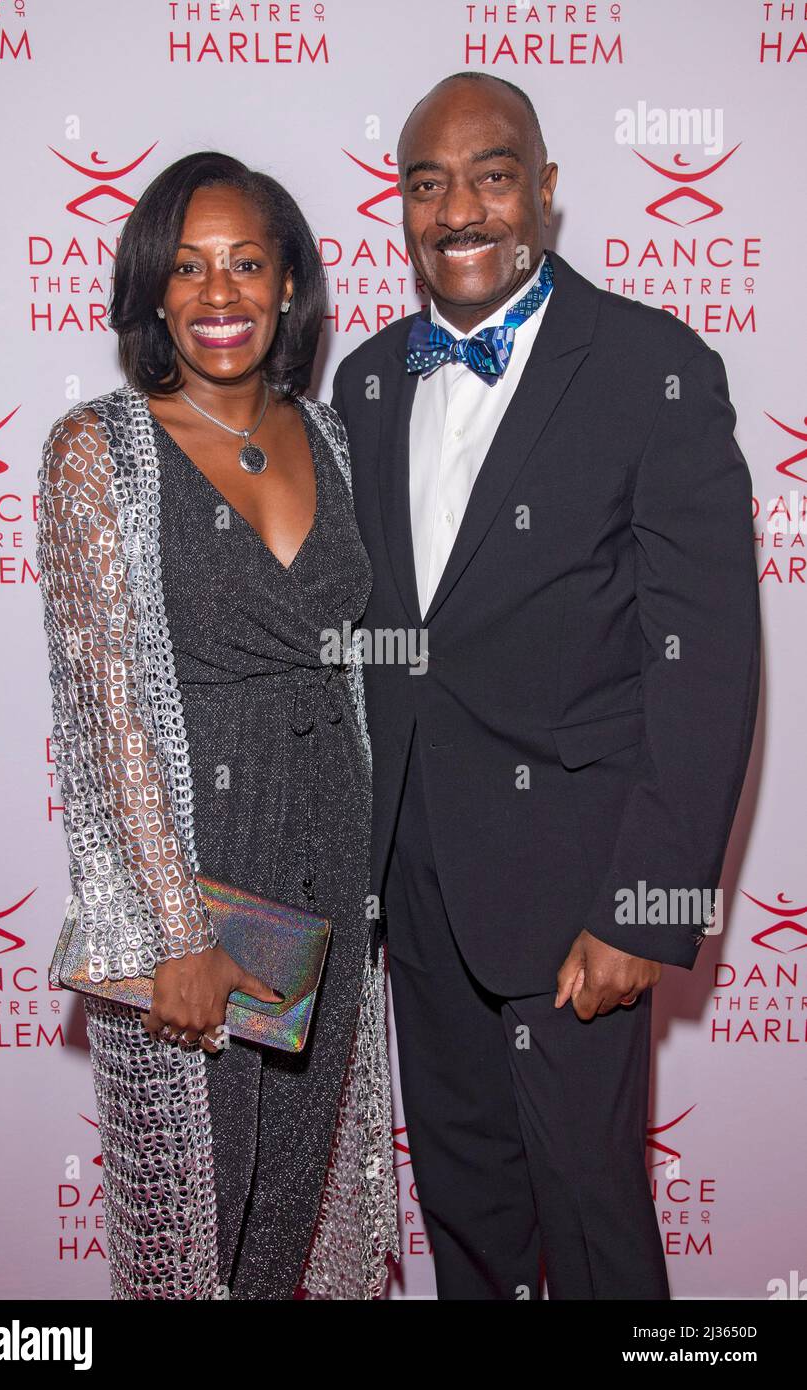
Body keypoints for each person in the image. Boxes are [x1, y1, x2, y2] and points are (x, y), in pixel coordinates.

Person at [331, 73, 760, 1299]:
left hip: (578, 896)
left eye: (491, 174)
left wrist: (645, 904)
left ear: (546, 192)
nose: (457, 209)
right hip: (416, 895)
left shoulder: (650, 369)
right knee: (464, 1209)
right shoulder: (366, 383)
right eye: (426, 183)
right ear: (401, 207)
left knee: (589, 1223)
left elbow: (706, 664)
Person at [37, 151, 398, 1301]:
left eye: (247, 262)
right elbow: (104, 714)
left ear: (289, 284)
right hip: (197, 870)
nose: (219, 293)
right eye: (186, 268)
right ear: (151, 292)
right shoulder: (96, 453)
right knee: (195, 1218)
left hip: (330, 854)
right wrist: (168, 931)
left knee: (293, 1200)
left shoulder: (333, 438)